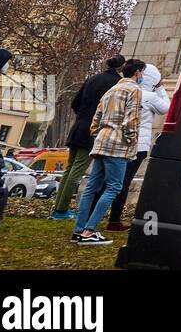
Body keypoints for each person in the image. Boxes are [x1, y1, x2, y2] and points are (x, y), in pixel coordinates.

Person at [72, 59, 143, 246]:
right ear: (136, 73)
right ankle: (89, 231)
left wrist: (99, 135)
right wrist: (130, 140)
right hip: (117, 144)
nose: (142, 76)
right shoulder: (134, 90)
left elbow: (96, 119)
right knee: (114, 187)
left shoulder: (111, 90)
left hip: (101, 141)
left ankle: (78, 230)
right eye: (141, 72)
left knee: (91, 187)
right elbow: (131, 120)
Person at [51, 55, 125, 220]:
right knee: (77, 170)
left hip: (78, 126)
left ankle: (58, 207)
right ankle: (61, 210)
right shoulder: (116, 83)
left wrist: (83, 117)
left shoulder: (92, 78)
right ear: (121, 67)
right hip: (92, 130)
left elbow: (75, 103)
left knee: (69, 169)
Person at [105, 62, 170, 231]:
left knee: (109, 181)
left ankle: (95, 216)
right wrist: (160, 87)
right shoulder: (150, 96)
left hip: (117, 140)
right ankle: (114, 220)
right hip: (138, 144)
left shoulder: (123, 91)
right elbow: (166, 107)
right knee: (123, 182)